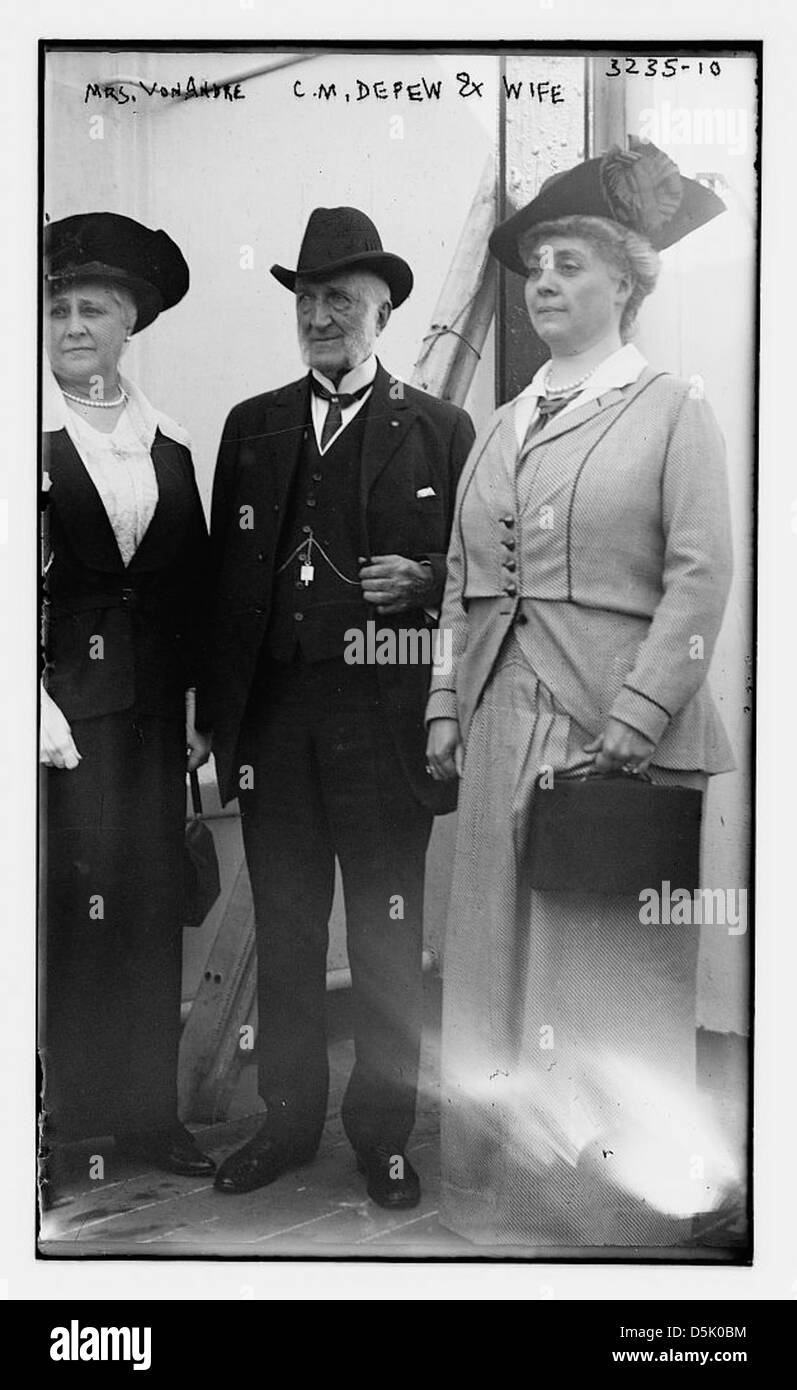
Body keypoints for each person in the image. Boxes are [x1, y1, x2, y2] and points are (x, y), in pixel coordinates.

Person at [425, 140, 737, 1247]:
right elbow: (465, 583)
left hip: (617, 732)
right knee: (490, 959)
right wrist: (445, 709)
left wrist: (638, 715)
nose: (544, 281)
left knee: (597, 970)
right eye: (535, 266)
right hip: (504, 717)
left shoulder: (667, 406)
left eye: (569, 264)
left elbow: (702, 575)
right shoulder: (504, 422)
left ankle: (602, 1213)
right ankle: (496, 1196)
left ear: (626, 280)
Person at [202, 206, 475, 1207]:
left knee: (384, 935)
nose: (319, 315)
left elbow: (480, 574)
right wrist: (211, 728)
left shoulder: (440, 429)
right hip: (273, 724)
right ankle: (283, 1122)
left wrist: (430, 571)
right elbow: (220, 586)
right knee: (284, 927)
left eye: (340, 300)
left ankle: (383, 1135)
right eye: (307, 299)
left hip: (385, 723)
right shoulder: (253, 424)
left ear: (382, 310)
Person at [41, 212, 215, 1184]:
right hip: (59, 727)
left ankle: (151, 1122)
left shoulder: (171, 446)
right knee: (73, 917)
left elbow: (185, 592)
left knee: (148, 915)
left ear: (128, 323)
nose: (71, 323)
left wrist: (195, 717)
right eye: (58, 306)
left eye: (92, 307)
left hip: (152, 728)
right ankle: (66, 1130)